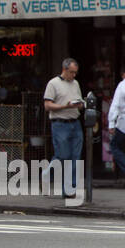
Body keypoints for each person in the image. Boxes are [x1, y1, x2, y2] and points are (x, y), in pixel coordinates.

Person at [44, 58, 85, 198]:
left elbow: (78, 100)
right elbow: (47, 105)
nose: (73, 75)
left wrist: (79, 104)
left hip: (75, 122)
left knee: (75, 156)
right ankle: (47, 175)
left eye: (75, 73)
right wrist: (65, 106)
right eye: (71, 72)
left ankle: (70, 188)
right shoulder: (53, 83)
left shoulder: (76, 83)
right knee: (63, 155)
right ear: (64, 69)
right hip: (60, 123)